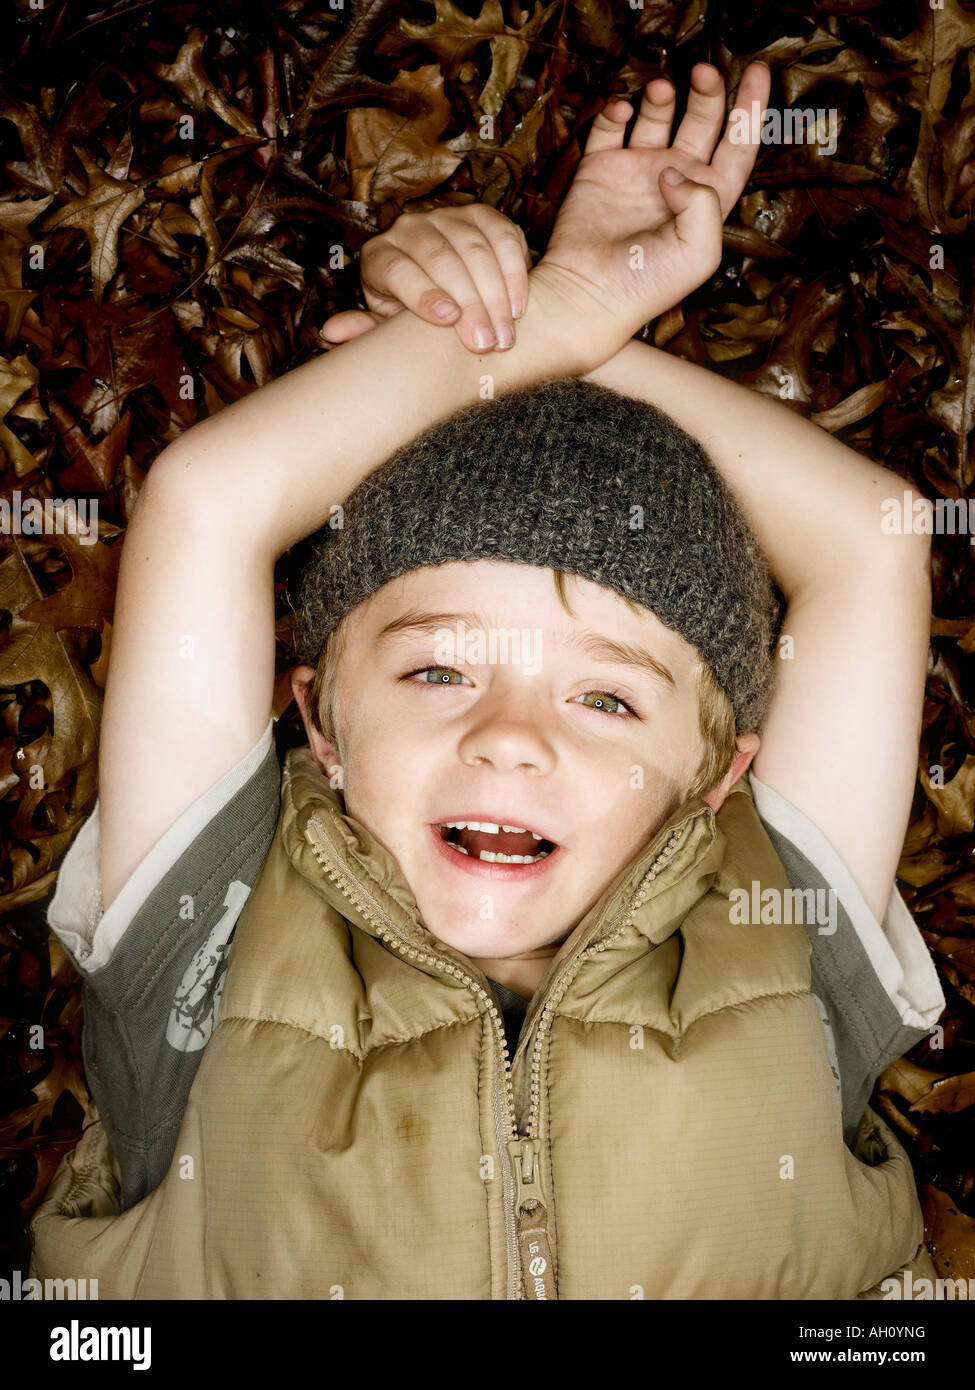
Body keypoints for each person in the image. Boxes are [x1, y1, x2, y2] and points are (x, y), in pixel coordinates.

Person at [30, 61, 944, 1299]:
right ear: (320, 718)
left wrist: (522, 341)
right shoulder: (212, 928)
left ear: (720, 774)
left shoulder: (785, 917)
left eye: (609, 697)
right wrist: (563, 312)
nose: (511, 737)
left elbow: (873, 537)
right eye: (438, 668)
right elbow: (208, 506)